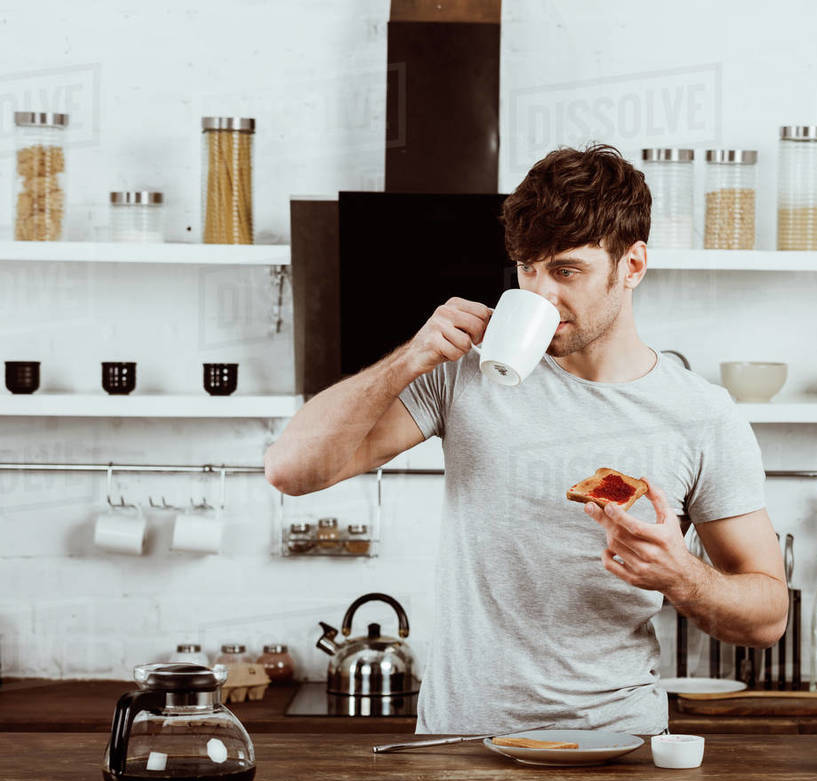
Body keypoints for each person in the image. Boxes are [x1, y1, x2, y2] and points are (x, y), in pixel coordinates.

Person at [265, 144, 788, 735]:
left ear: (633, 266)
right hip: (463, 745)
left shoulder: (702, 415)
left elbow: (767, 617)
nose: (540, 294)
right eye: (528, 269)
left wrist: (680, 575)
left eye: (566, 270)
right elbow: (290, 470)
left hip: (618, 746)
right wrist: (408, 359)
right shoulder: (464, 374)